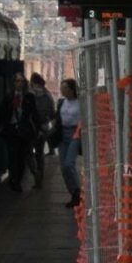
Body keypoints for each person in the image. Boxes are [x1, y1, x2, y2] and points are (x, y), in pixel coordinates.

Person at [0, 72, 40, 192]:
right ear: (13, 83)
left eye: (21, 81)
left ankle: (18, 181)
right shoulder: (9, 97)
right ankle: (13, 179)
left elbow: (34, 114)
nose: (19, 83)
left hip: (24, 131)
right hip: (11, 130)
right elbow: (1, 113)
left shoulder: (29, 97)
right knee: (12, 156)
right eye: (17, 81)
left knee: (21, 157)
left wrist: (37, 129)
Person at [56, 78, 82, 208]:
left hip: (75, 133)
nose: (62, 90)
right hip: (63, 134)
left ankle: (78, 191)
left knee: (69, 164)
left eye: (65, 88)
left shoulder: (80, 102)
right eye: (62, 88)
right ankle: (73, 192)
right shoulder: (61, 102)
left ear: (72, 89)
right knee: (63, 167)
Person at [28, 73, 56, 189]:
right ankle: (39, 178)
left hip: (31, 128)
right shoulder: (48, 95)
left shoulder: (29, 95)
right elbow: (51, 114)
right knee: (39, 154)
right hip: (43, 128)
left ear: (33, 83)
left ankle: (36, 174)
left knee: (29, 153)